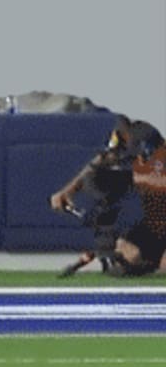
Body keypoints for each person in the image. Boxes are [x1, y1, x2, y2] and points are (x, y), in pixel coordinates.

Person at [50, 118, 166, 276]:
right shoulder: (124, 130)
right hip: (155, 219)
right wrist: (68, 190)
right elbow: (104, 158)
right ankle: (116, 248)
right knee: (127, 255)